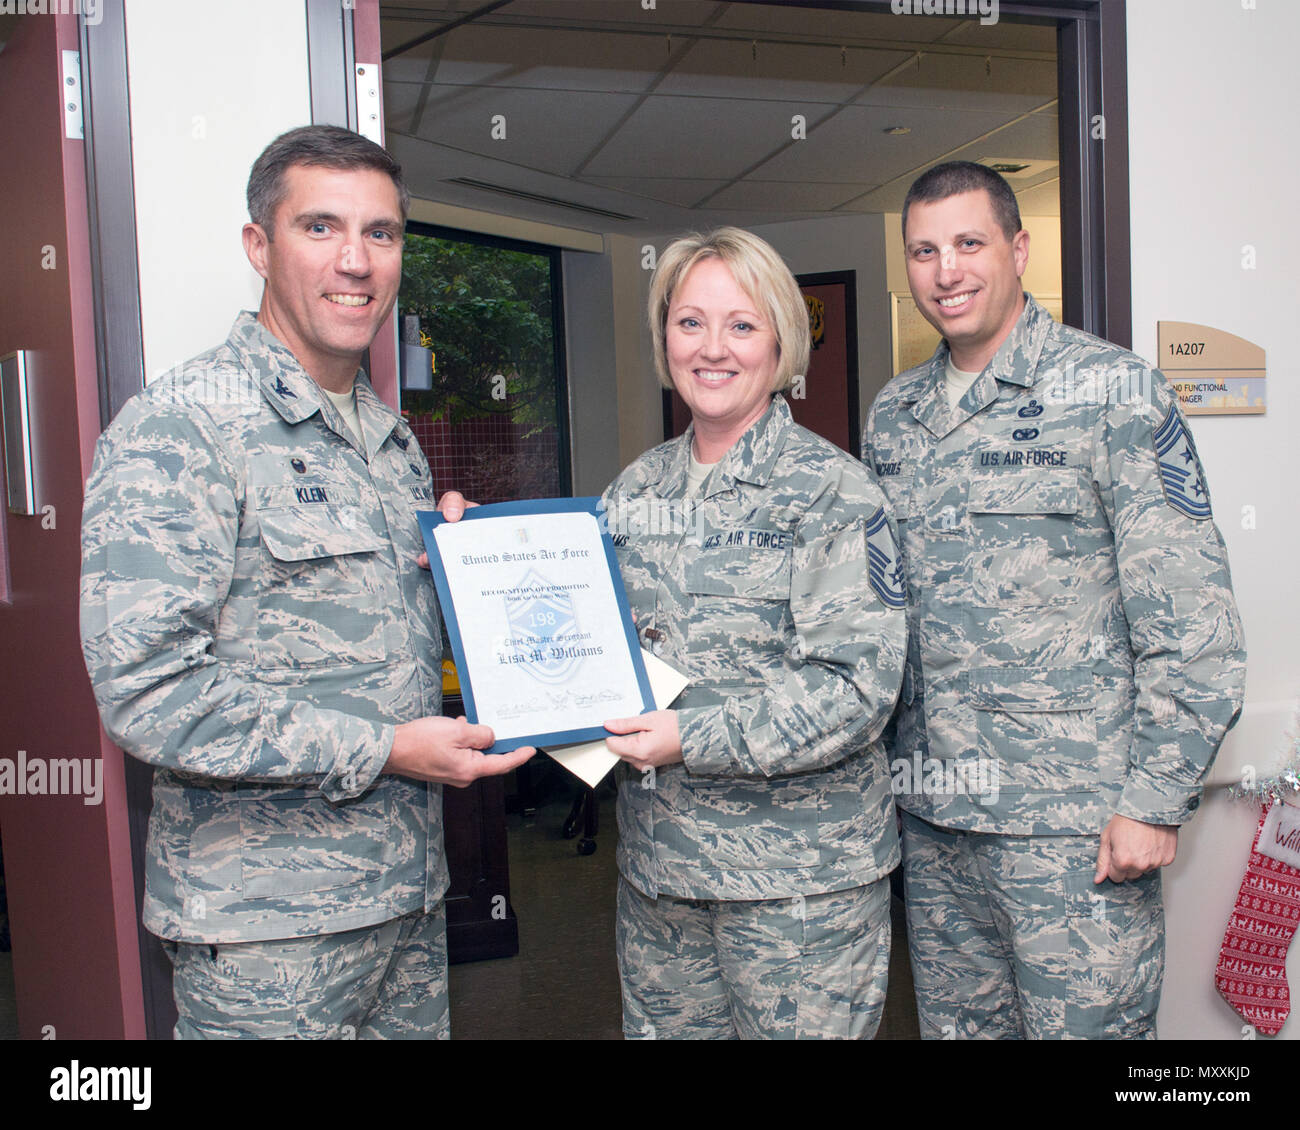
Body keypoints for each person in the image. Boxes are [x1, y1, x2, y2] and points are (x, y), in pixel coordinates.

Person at [79, 125, 534, 1039]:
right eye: (320, 228)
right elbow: (148, 691)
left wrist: (466, 573)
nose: (357, 261)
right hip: (266, 936)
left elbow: (374, 643)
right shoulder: (182, 427)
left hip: (404, 903)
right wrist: (382, 748)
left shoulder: (389, 441)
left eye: (383, 233)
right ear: (259, 245)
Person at [863, 161, 1246, 1039]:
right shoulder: (895, 415)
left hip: (1074, 835)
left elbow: (1194, 624)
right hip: (936, 822)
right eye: (923, 251)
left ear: (1018, 248)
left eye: (968, 243)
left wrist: (1153, 800)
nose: (946, 270)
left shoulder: (1113, 392)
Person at [599, 227, 907, 1039]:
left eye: (741, 325)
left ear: (782, 343)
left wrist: (686, 738)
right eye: (690, 322)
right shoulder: (634, 490)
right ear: (664, 338)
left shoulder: (835, 492)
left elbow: (854, 691)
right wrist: (473, 551)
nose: (713, 348)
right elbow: (583, 637)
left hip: (797, 888)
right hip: (662, 877)